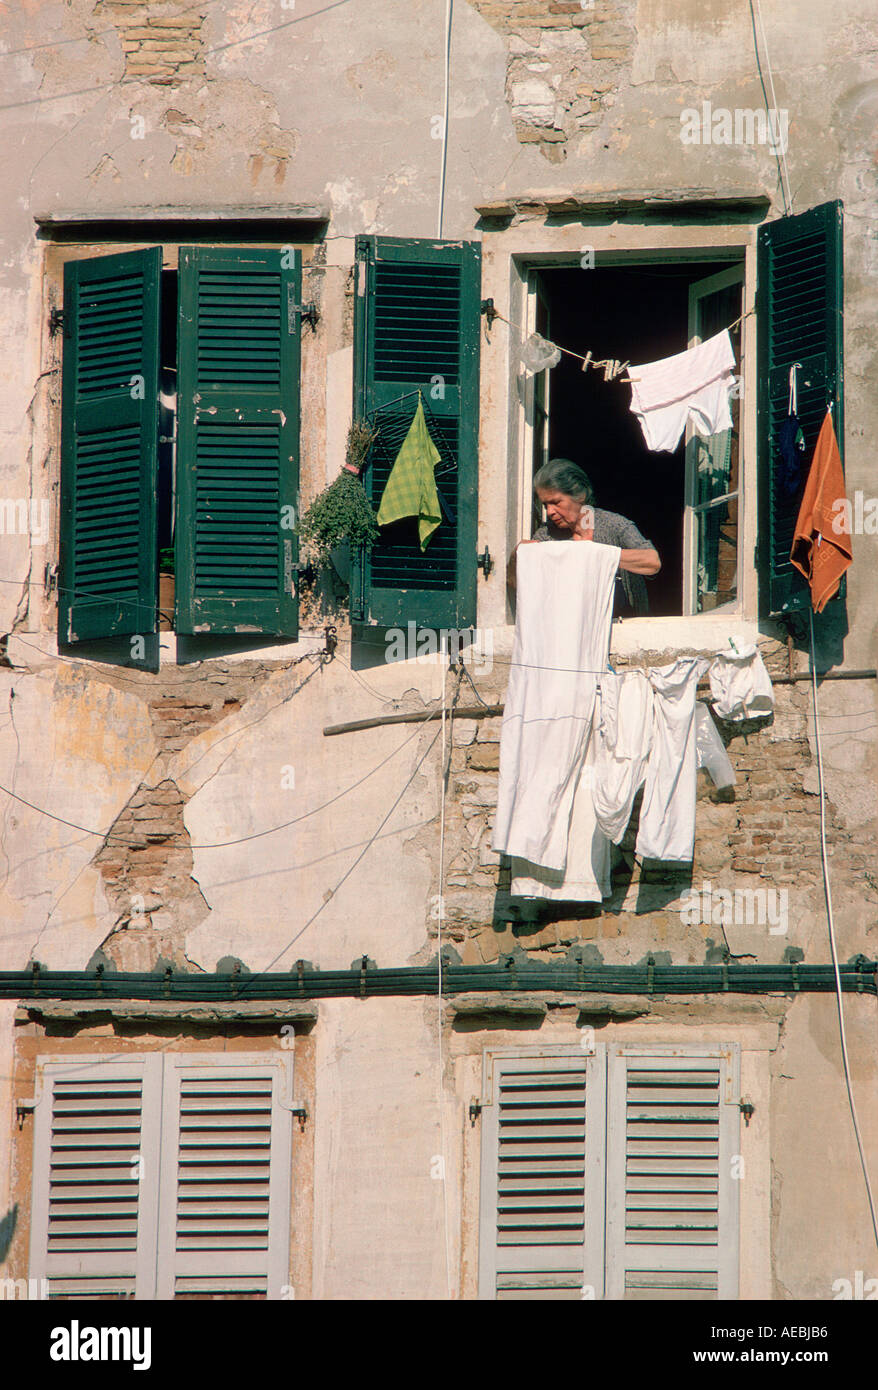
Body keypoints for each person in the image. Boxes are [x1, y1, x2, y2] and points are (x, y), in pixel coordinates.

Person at [507, 457, 661, 615]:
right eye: (545, 505)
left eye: (556, 502)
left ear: (579, 495)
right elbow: (516, 584)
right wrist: (517, 556)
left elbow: (652, 562)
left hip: (622, 628)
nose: (550, 512)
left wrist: (598, 554)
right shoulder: (546, 535)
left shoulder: (613, 525)